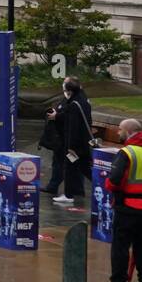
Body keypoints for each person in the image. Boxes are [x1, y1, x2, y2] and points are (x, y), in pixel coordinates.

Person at [99, 118, 142, 282]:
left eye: (120, 130)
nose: (118, 133)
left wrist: (108, 183)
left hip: (127, 208)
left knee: (120, 249)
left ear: (128, 131)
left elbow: (114, 181)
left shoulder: (126, 153)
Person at [50, 77, 93, 205]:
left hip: (75, 145)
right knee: (80, 167)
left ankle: (68, 195)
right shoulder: (83, 100)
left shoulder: (74, 105)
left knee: (72, 167)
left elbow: (73, 127)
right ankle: (72, 193)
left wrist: (71, 146)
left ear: (69, 90)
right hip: (83, 142)